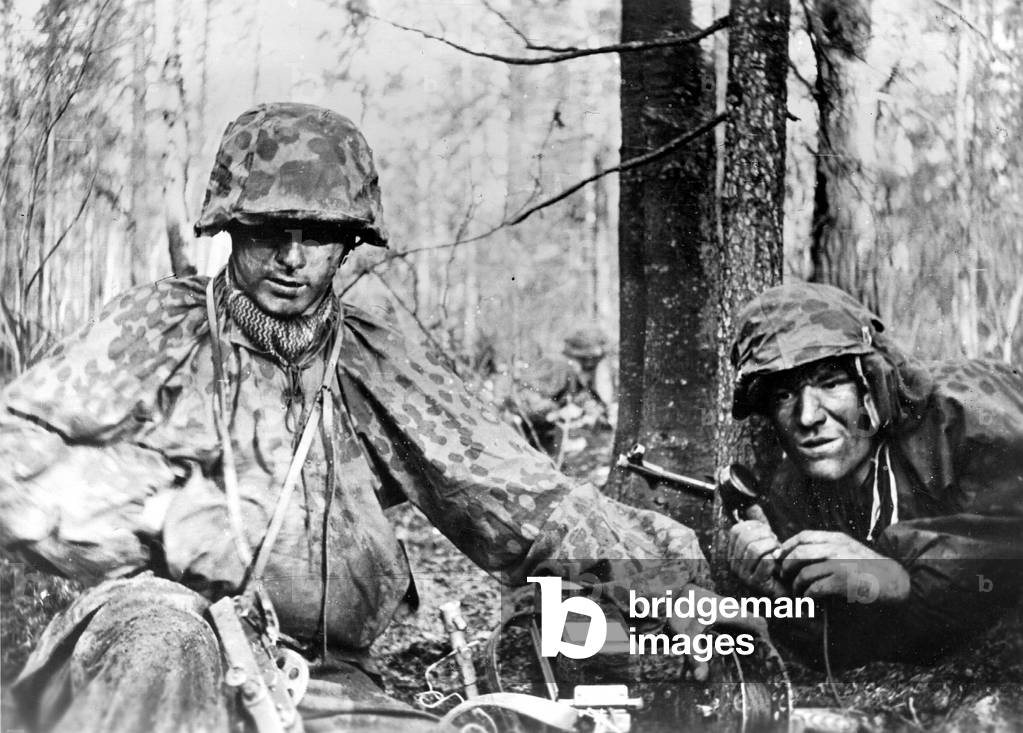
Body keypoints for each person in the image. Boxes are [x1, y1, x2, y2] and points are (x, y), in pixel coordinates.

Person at [0, 103, 717, 733]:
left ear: (348, 242)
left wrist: (683, 591)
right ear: (227, 228)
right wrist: (129, 510)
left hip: (315, 682)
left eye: (316, 235)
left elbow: (525, 496)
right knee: (165, 633)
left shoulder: (374, 356)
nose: (289, 258)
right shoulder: (158, 327)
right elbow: (17, 450)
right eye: (266, 230)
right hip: (148, 650)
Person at [726, 282, 1023, 669]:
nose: (807, 417)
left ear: (874, 381)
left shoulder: (969, 417)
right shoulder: (793, 493)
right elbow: (850, 650)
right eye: (783, 396)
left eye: (830, 384)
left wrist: (896, 572)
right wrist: (775, 591)